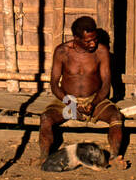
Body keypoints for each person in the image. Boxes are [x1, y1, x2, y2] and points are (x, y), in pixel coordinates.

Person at [37, 16, 126, 168]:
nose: (93, 44)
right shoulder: (62, 52)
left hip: (95, 100)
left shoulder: (101, 52)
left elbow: (106, 84)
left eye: (95, 39)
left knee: (116, 117)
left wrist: (94, 102)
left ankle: (114, 157)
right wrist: (70, 104)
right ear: (76, 38)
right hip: (67, 101)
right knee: (46, 118)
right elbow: (54, 84)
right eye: (87, 41)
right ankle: (44, 158)